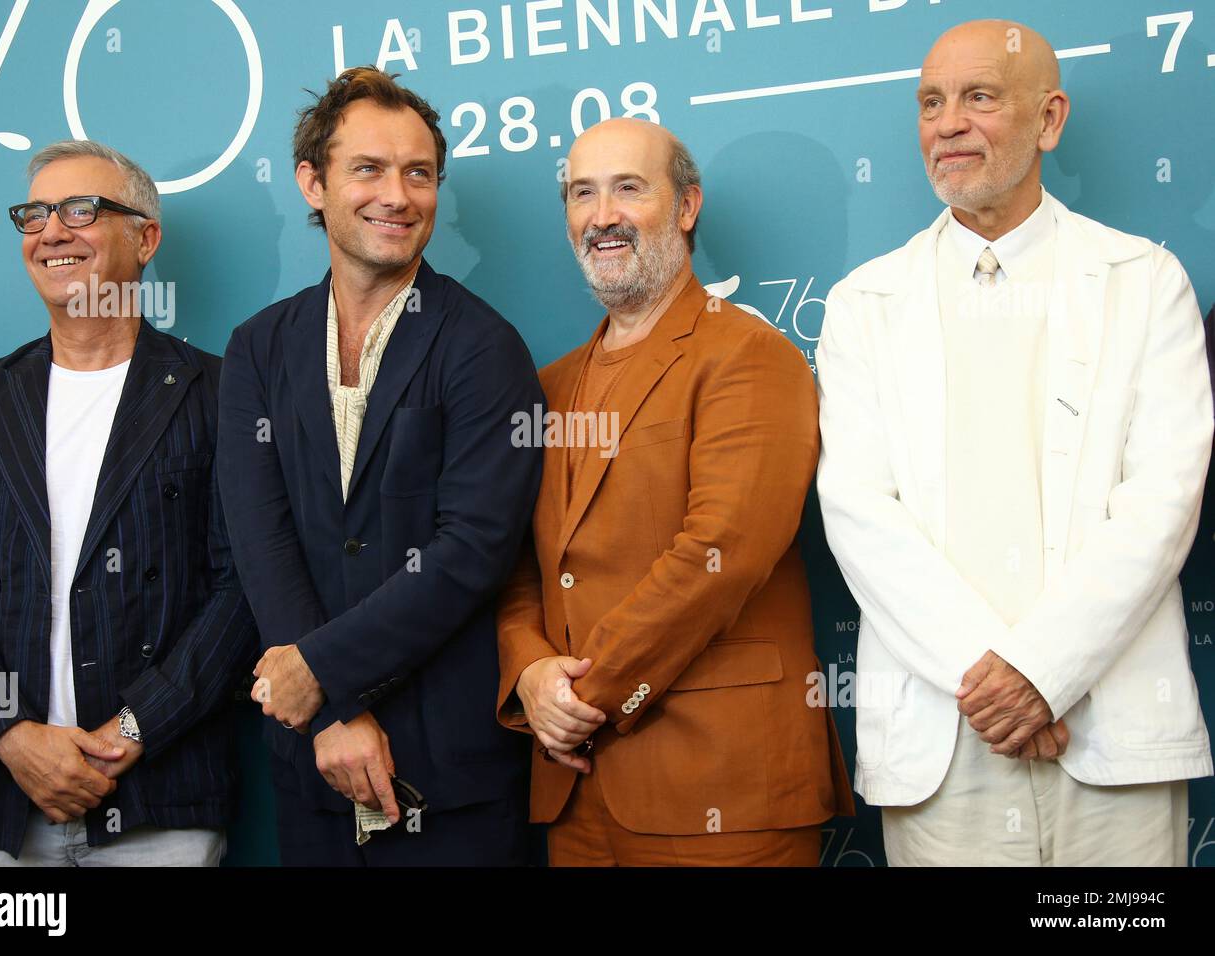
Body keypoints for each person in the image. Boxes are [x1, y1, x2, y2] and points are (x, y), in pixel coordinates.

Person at [815, 19, 1212, 865]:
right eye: (930, 102)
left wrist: (1044, 671)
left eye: (979, 97)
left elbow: (1162, 501)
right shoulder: (863, 303)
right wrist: (999, 684)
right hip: (947, 735)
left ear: (1050, 120)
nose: (948, 124)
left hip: (1111, 736)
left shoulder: (1145, 281)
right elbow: (858, 512)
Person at [496, 117, 854, 866]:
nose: (603, 216)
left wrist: (586, 696)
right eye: (582, 194)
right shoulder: (548, 388)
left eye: (630, 188)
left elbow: (721, 552)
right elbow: (515, 561)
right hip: (574, 793)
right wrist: (529, 672)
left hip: (724, 786)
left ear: (688, 206)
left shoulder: (751, 357)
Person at [217, 67, 543, 866]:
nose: (397, 194)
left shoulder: (483, 346)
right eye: (368, 168)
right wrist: (330, 713)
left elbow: (471, 552)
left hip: (451, 771)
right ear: (313, 182)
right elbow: (261, 541)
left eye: (419, 173)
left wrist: (319, 673)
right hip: (312, 772)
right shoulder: (258, 348)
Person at [0, 140, 257, 865]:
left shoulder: (222, 393)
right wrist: (10, 735)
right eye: (35, 214)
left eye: (80, 209)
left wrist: (131, 733)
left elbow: (241, 591)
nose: (51, 231)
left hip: (162, 795)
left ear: (146, 237)